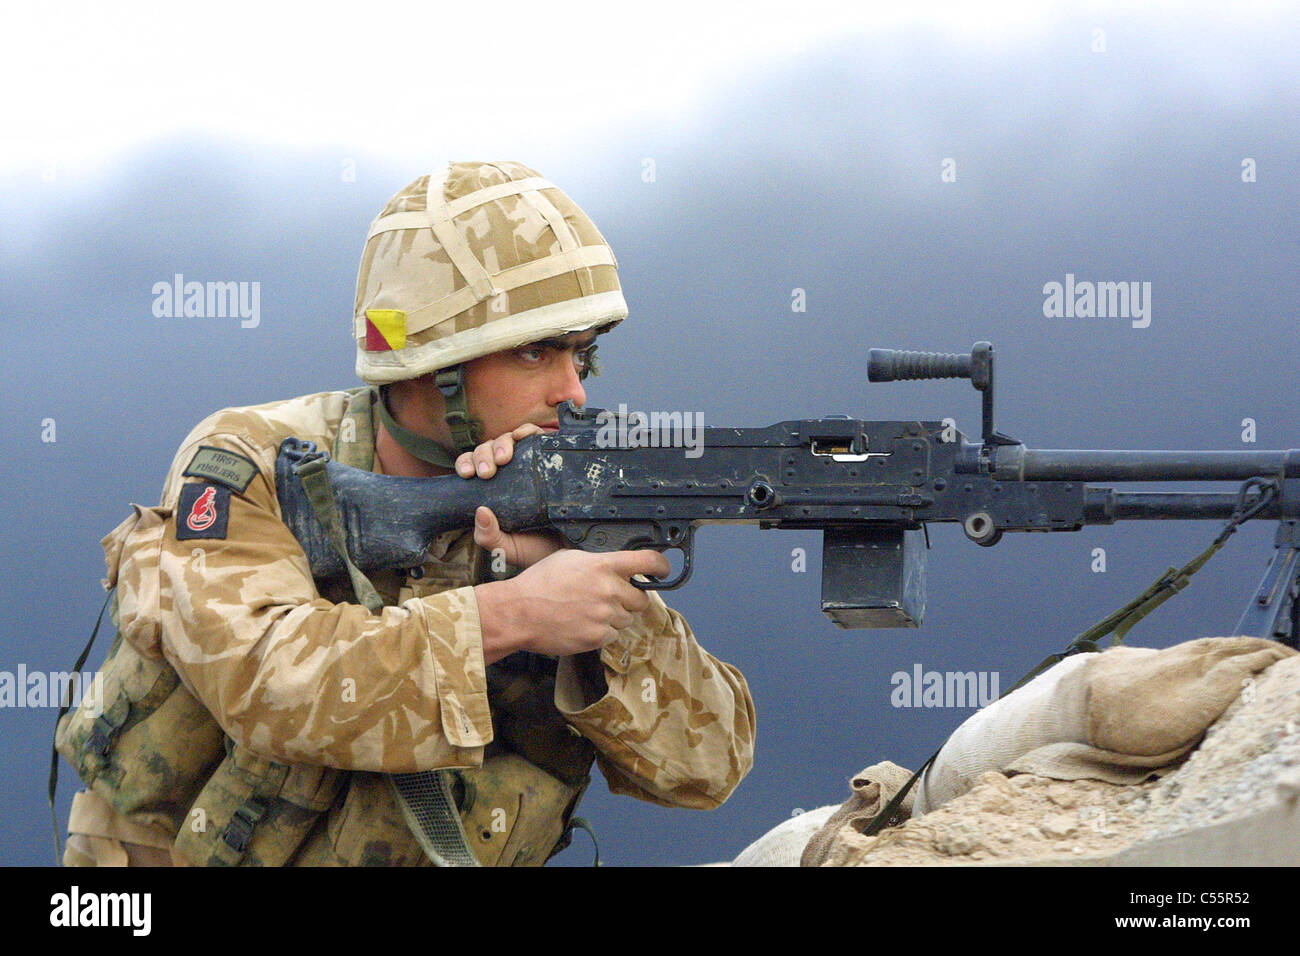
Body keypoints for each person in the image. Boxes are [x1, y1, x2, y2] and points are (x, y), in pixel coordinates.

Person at [56, 161, 756, 866]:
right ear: (435, 365)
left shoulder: (560, 492)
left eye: (581, 354)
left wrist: (601, 623)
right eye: (535, 352)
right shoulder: (254, 460)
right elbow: (266, 684)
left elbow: (707, 769)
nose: (571, 391)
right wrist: (512, 616)